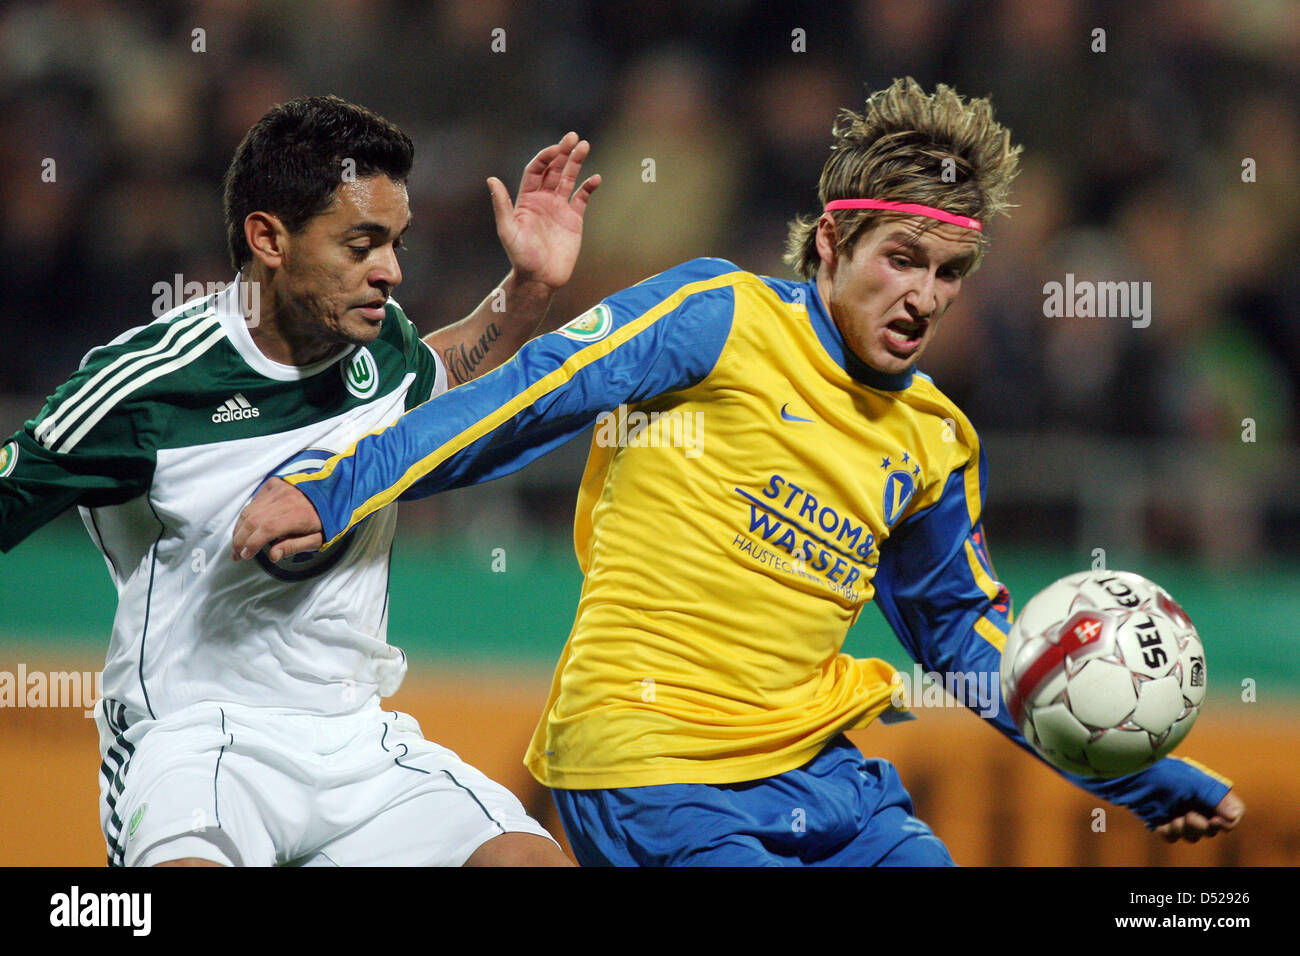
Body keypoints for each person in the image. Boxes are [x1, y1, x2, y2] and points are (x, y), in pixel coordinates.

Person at [232, 79, 1243, 865]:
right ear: (835, 240)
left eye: (948, 273)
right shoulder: (718, 316)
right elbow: (523, 397)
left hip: (818, 768)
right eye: (901, 258)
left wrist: (1150, 779)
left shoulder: (935, 437)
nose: (925, 295)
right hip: (646, 760)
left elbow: (970, 641)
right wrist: (339, 485)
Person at [0, 94, 600, 867]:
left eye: (396, 243)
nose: (391, 271)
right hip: (198, 745)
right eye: (362, 244)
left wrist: (529, 288)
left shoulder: (380, 349)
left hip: (359, 740)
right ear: (268, 238)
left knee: (529, 861)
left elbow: (443, 372)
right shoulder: (145, 387)